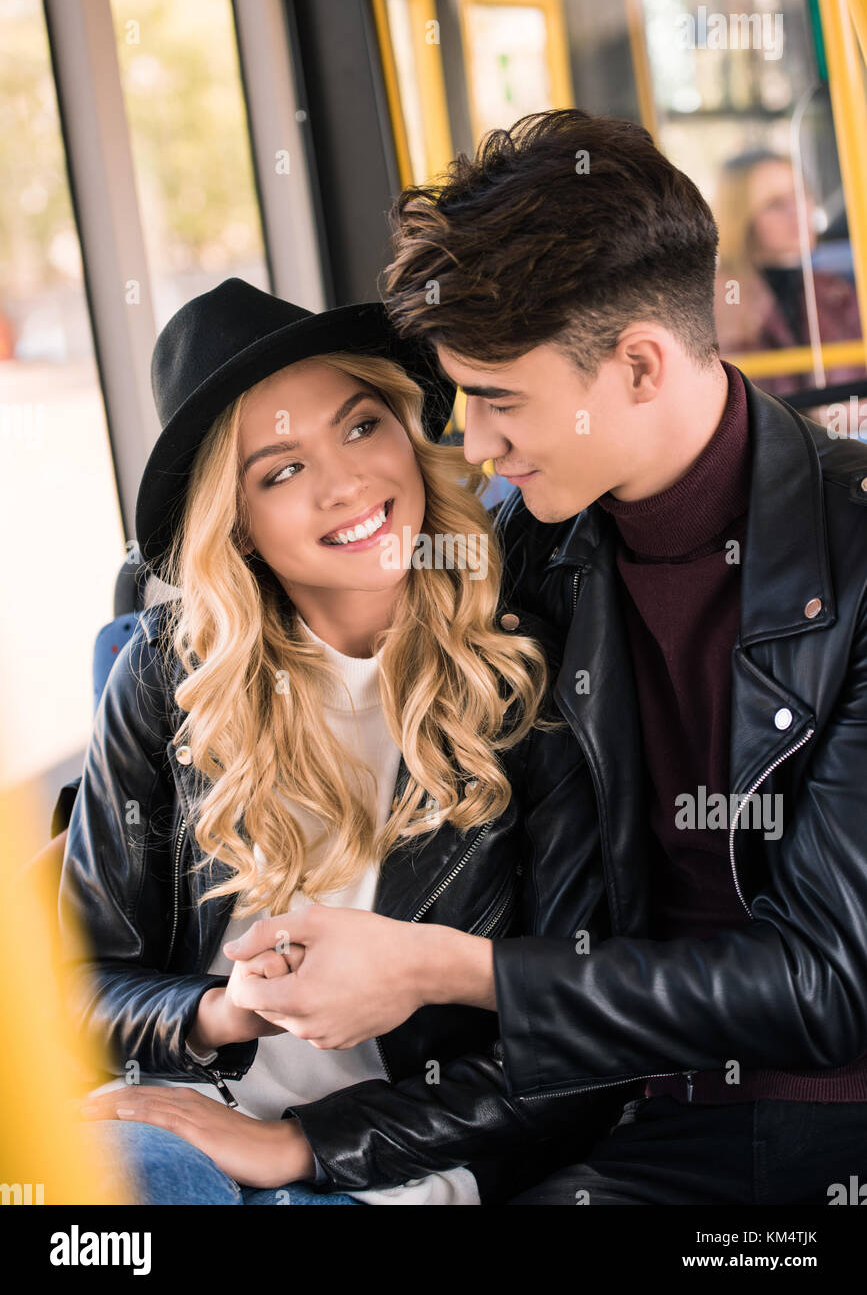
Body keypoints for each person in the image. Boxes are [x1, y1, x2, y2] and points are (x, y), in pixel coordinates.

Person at [222, 111, 867, 1205]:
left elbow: (824, 987)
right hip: (584, 1104)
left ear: (640, 366)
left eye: (499, 398)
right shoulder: (532, 550)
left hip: (813, 1119)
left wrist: (435, 969)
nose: (470, 444)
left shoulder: (852, 553)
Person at [60, 277, 634, 1205]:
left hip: (388, 1170)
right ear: (235, 527)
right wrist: (217, 1014)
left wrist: (296, 1148)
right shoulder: (165, 677)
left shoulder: (532, 678)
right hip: (175, 1144)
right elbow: (84, 989)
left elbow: (579, 1040)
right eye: (280, 470)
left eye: (361, 426)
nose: (347, 484)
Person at [713, 148, 863, 400]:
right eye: (775, 204)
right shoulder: (725, 298)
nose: (798, 212)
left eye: (801, 195)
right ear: (743, 219)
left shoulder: (832, 288)